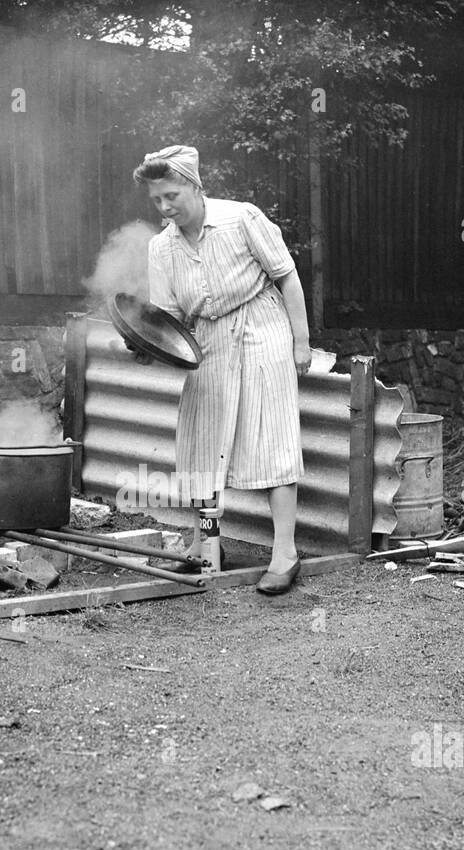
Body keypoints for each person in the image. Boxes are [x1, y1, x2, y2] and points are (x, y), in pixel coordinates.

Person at [133, 145, 311, 595]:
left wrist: (301, 341)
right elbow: (170, 320)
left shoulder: (241, 218)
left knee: (272, 440)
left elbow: (287, 276)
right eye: (156, 200)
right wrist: (145, 344)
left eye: (172, 196)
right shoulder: (161, 248)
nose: (165, 207)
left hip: (261, 329)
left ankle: (285, 553)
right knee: (201, 443)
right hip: (206, 341)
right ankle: (205, 544)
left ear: (195, 186)